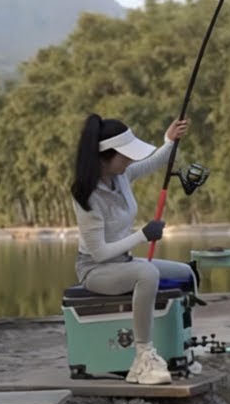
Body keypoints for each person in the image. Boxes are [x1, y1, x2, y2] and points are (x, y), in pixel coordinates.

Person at [70, 113, 195, 385]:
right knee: (146, 273)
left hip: (123, 262)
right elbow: (100, 253)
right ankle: (143, 357)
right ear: (105, 156)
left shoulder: (121, 175)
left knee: (185, 274)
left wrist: (169, 140)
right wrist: (142, 235)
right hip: (96, 270)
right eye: (125, 156)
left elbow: (155, 162)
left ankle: (180, 349)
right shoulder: (86, 196)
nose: (130, 161)